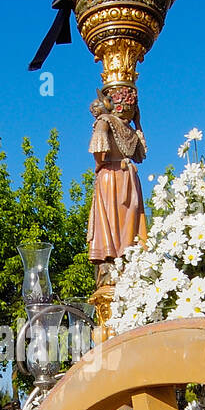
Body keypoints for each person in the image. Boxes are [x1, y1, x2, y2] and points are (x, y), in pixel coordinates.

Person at [87, 83, 148, 284]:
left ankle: (119, 261)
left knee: (115, 221)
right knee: (122, 221)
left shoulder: (105, 122)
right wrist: (138, 124)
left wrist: (100, 165)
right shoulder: (123, 127)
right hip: (127, 176)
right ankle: (115, 264)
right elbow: (140, 155)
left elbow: (99, 152)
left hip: (111, 176)